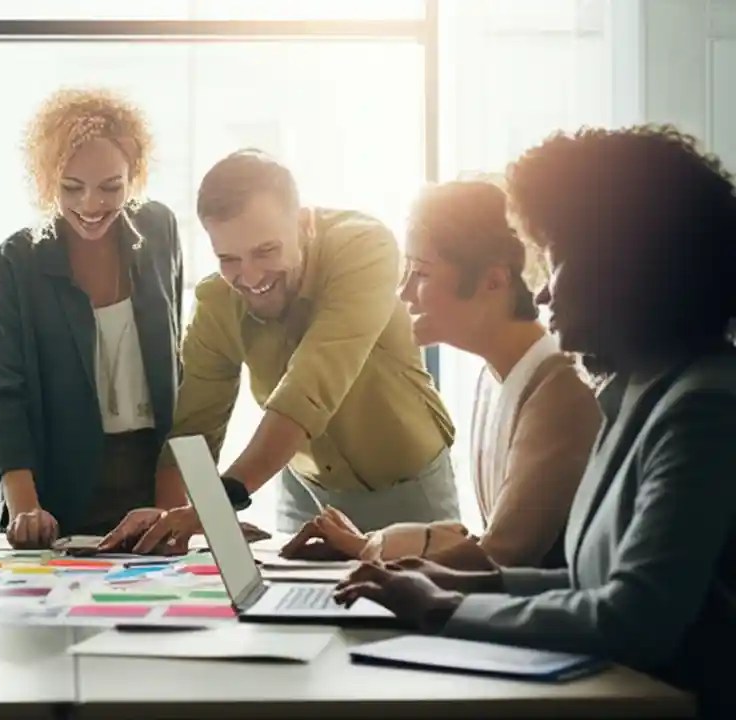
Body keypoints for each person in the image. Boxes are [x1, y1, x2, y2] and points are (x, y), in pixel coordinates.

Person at [332, 126, 736, 717]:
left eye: (556, 262)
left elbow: (632, 617)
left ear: (626, 268)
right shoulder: (636, 393)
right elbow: (584, 581)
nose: (542, 293)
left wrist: (442, 608)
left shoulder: (702, 409)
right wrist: (456, 586)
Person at [100, 149, 457, 554]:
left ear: (303, 224)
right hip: (304, 491)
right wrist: (166, 522)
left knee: (416, 606)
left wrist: (218, 503)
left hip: (407, 488)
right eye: (229, 258)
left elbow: (309, 386)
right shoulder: (218, 301)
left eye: (266, 251)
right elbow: (194, 430)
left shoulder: (364, 247)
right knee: (296, 609)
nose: (249, 277)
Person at [281, 181, 600, 570]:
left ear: (493, 281)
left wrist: (371, 552)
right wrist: (366, 544)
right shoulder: (495, 378)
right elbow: (488, 541)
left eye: (421, 273)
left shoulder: (557, 394)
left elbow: (501, 559)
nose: (404, 293)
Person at [0, 88, 183, 549]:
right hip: (57, 499)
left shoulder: (159, 232)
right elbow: (1, 400)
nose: (91, 205)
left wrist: (173, 508)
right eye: (72, 188)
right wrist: (25, 508)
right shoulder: (18, 261)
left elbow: (177, 372)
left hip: (153, 484)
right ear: (47, 180)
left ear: (135, 176)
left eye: (111, 186)